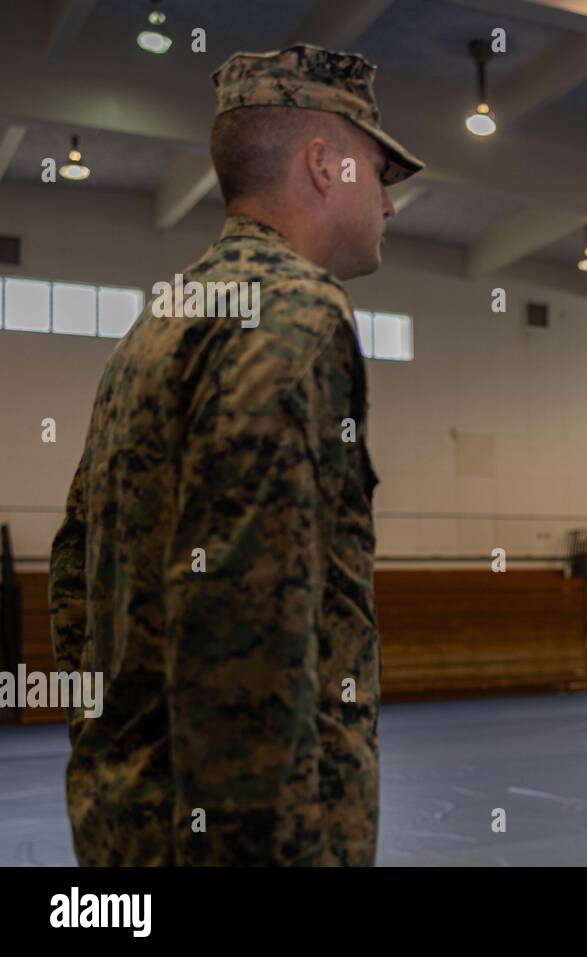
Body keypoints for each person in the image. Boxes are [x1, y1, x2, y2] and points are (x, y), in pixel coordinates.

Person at [47, 44, 423, 866]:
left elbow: (75, 573)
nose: (390, 206)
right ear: (324, 166)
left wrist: (112, 762)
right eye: (376, 171)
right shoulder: (297, 310)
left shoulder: (155, 327)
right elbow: (247, 616)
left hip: (126, 830)